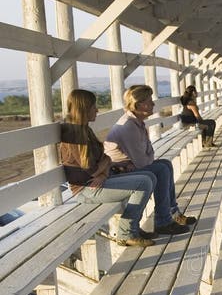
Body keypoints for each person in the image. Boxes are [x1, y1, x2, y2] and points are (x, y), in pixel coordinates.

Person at [59, 88, 156, 248]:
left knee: (149, 177)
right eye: (93, 107)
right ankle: (126, 233)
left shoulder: (84, 129)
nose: (97, 110)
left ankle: (134, 228)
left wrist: (103, 171)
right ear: (84, 108)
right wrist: (103, 166)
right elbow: (90, 171)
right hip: (86, 189)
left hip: (98, 181)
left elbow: (104, 159)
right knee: (143, 182)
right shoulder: (73, 133)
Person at [104, 85, 196, 237]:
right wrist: (144, 157)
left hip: (127, 167)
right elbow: (143, 162)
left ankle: (173, 213)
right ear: (139, 105)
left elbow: (148, 155)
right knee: (160, 169)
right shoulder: (128, 127)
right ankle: (163, 222)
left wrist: (145, 157)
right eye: (149, 101)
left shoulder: (136, 122)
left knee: (165, 163)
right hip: (116, 174)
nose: (153, 104)